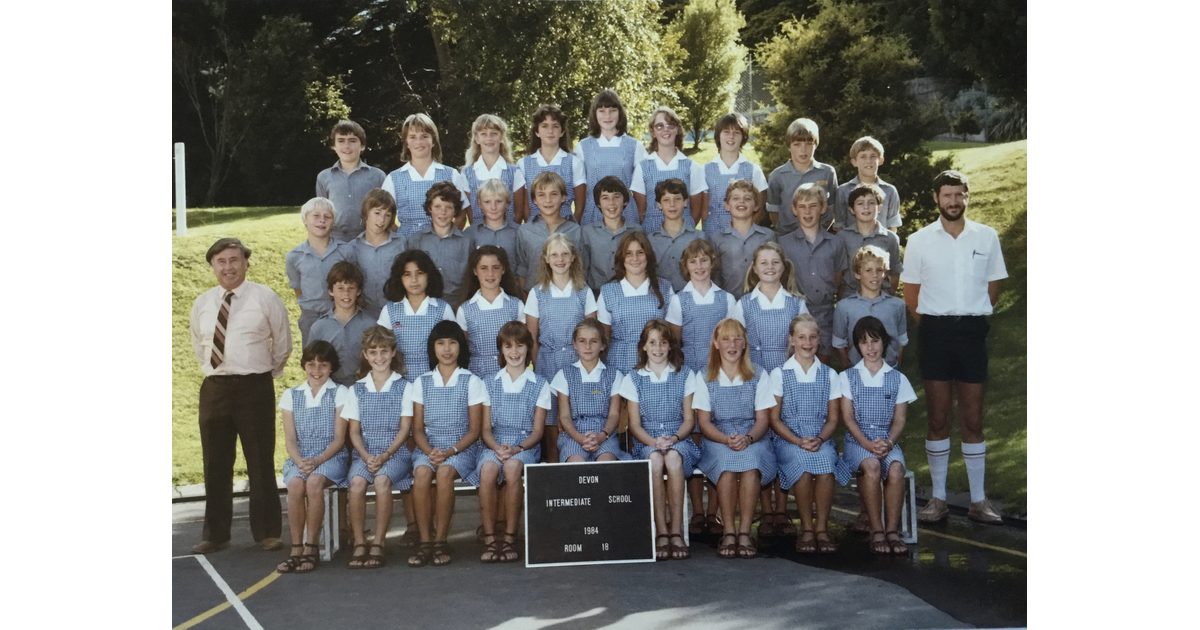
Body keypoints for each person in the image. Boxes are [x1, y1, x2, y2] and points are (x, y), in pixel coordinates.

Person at [901, 170, 1008, 524]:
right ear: (936, 198)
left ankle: (978, 501)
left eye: (958, 195)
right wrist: (937, 325)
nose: (952, 201)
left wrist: (967, 318)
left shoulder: (987, 237)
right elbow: (912, 295)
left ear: (967, 196)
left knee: (973, 419)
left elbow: (992, 288)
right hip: (934, 333)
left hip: (972, 333)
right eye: (946, 195)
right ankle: (939, 499)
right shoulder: (919, 240)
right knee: (938, 417)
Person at [189, 238, 291, 555]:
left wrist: (263, 373)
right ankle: (216, 534)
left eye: (235, 260)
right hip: (216, 388)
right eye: (221, 261)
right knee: (215, 462)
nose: (228, 267)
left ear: (246, 262)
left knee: (260, 460)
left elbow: (283, 343)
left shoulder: (265, 297)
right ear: (213, 266)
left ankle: (267, 532)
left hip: (254, 387)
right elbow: (198, 344)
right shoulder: (202, 303)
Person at [664, 239, 743, 535]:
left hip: (719, 374)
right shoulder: (678, 300)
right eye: (693, 261)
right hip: (690, 373)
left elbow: (735, 339)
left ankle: (714, 513)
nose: (699, 266)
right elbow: (675, 342)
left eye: (704, 260)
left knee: (715, 435)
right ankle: (697, 512)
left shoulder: (727, 299)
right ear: (685, 267)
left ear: (713, 264)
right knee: (695, 436)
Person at [738, 241, 808, 536]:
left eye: (775, 262)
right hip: (754, 374)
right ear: (754, 269)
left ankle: (781, 510)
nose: (769, 267)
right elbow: (736, 344)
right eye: (763, 262)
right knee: (761, 437)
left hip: (784, 374)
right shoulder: (743, 303)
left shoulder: (796, 302)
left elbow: (804, 340)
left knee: (784, 437)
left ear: (783, 267)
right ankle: (765, 512)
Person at [693, 319, 777, 559]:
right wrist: (726, 439)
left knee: (751, 466)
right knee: (727, 468)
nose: (732, 344)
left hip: (752, 436)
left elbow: (763, 420)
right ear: (716, 344)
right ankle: (728, 531)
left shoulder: (758, 374)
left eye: (737, 338)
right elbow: (705, 422)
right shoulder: (705, 376)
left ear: (745, 344)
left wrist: (748, 439)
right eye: (726, 339)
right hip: (718, 437)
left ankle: (744, 532)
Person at [465, 322, 549, 563]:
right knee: (488, 469)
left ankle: (511, 536)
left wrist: (518, 449)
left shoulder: (539, 383)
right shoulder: (489, 382)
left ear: (528, 348)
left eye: (520, 346)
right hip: (495, 444)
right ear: (500, 350)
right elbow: (485, 429)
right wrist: (497, 448)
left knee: (513, 468)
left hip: (524, 446)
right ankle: (491, 537)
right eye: (508, 346)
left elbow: (538, 431)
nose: (514, 352)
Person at [406, 321, 488, 567]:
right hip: (429, 447)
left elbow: (474, 430)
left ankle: (441, 540)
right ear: (433, 348)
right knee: (421, 473)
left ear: (460, 347)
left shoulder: (471, 381)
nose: (447, 349)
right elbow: (417, 429)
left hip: (461, 446)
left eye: (452, 342)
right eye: (441, 343)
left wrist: (450, 452)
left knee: (444, 474)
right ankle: (425, 541)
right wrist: (430, 451)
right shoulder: (421, 382)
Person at [620, 320, 700, 560]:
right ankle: (661, 532)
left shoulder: (684, 374)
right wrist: (655, 442)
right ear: (644, 346)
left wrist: (674, 439)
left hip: (679, 439)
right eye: (652, 343)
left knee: (674, 459)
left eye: (663, 343)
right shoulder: (633, 378)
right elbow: (634, 425)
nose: (658, 348)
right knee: (655, 461)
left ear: (670, 346)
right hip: (648, 442)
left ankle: (677, 531)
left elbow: (689, 420)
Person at [769, 315, 849, 554]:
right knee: (802, 464)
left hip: (819, 436)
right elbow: (774, 419)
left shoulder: (829, 374)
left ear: (819, 340)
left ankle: (822, 528)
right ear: (791, 340)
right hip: (788, 438)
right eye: (801, 337)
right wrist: (797, 440)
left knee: (825, 463)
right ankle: (806, 528)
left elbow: (834, 418)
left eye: (813, 337)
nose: (807, 342)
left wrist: (820, 439)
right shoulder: (780, 373)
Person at [839, 317, 917, 555]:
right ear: (857, 347)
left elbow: (899, 420)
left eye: (875, 341)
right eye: (864, 343)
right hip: (858, 442)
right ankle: (877, 529)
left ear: (884, 342)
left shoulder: (897, 378)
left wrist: (889, 443)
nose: (870, 348)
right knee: (871, 466)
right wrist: (866, 443)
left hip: (886, 440)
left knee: (895, 469)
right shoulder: (848, 377)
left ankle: (892, 531)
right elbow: (848, 418)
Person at [276, 341, 350, 574]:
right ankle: (296, 547)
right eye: (311, 364)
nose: (316, 370)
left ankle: (312, 547)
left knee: (315, 482)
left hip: (331, 456)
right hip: (301, 457)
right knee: (296, 484)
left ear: (331, 368)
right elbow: (290, 439)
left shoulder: (340, 392)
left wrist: (317, 461)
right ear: (304, 366)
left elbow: (339, 439)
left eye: (323, 365)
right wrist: (300, 461)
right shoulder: (291, 395)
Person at [343, 326, 412, 569]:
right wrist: (366, 456)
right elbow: (353, 431)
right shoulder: (357, 389)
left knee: (382, 481)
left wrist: (385, 455)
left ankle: (379, 542)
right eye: (373, 352)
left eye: (384, 351)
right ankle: (360, 541)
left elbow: (405, 429)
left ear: (393, 353)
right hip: (366, 453)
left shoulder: (405, 386)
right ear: (365, 355)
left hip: (395, 453)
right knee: (357, 483)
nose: (379, 357)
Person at [524, 233, 597, 463]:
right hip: (547, 363)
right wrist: (540, 365)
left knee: (575, 420)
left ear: (574, 257)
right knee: (551, 425)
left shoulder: (584, 292)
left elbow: (592, 333)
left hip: (578, 364)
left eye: (565, 253)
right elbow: (532, 338)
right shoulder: (537, 293)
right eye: (554, 254)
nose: (560, 259)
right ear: (546, 258)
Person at [778, 183, 843, 363]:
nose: (807, 212)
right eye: (802, 207)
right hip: (794, 313)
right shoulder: (784, 244)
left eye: (813, 206)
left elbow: (838, 277)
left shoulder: (835, 243)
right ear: (794, 210)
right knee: (794, 365)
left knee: (822, 364)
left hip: (825, 314)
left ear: (823, 208)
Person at [551, 318, 630, 462]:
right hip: (573, 436)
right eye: (582, 341)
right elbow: (564, 416)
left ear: (602, 345)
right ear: (575, 344)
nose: (588, 346)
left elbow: (613, 415)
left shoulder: (614, 375)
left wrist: (601, 436)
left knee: (605, 462)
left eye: (593, 341)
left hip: (605, 435)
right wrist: (579, 438)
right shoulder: (564, 375)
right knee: (577, 463)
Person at [596, 231, 675, 373]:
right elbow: (604, 337)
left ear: (648, 255)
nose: (635, 258)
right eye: (628, 253)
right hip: (619, 363)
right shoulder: (608, 291)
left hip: (655, 361)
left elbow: (672, 335)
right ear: (621, 257)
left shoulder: (664, 288)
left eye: (640, 252)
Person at [381, 113, 469, 240]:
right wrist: (401, 238)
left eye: (424, 136)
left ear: (433, 141)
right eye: (412, 137)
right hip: (408, 247)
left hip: (441, 243)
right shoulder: (393, 178)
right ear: (406, 142)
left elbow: (461, 216)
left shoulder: (451, 174)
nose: (419, 142)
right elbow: (385, 217)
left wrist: (445, 240)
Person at [377, 250, 455, 385]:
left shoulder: (442, 309)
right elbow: (382, 348)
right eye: (407, 274)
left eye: (420, 273)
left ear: (429, 276)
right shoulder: (390, 310)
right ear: (399, 278)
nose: (414, 280)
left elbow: (453, 347)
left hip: (435, 378)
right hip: (398, 378)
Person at [286, 197, 356, 345]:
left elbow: (353, 282)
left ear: (333, 222)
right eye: (316, 216)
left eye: (327, 216)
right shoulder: (294, 256)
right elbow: (298, 288)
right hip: (310, 316)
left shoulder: (346, 251)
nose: (322, 220)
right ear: (305, 220)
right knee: (314, 361)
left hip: (340, 314)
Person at [574, 89, 647, 226]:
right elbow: (579, 188)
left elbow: (642, 187)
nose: (607, 115)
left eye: (613, 110)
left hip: (625, 212)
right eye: (601, 111)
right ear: (595, 114)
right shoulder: (583, 147)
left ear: (620, 113)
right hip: (593, 213)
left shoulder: (634, 146)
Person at [630, 106, 707, 234]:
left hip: (683, 233)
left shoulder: (691, 167)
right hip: (652, 234)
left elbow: (696, 209)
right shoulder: (643, 167)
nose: (666, 129)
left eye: (670, 125)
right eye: (659, 126)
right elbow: (641, 210)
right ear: (653, 131)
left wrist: (683, 231)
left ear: (677, 129)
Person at [455, 245, 526, 378]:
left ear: (503, 269)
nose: (490, 274)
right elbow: (462, 349)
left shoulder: (516, 305)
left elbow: (523, 343)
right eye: (484, 268)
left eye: (496, 267)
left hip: (510, 373)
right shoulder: (465, 309)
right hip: (477, 375)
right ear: (475, 271)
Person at [833, 245, 907, 369]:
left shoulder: (897, 305)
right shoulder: (844, 307)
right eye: (868, 270)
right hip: (857, 371)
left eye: (879, 270)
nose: (875, 275)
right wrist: (849, 369)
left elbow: (901, 341)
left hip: (889, 370)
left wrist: (895, 368)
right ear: (857, 274)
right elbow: (839, 343)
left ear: (885, 273)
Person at [316, 120, 387, 243]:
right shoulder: (324, 177)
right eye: (341, 141)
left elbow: (386, 212)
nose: (346, 146)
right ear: (334, 146)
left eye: (352, 141)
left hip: (369, 240)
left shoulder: (377, 176)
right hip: (335, 241)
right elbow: (322, 213)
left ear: (362, 146)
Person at [406, 182, 473, 311]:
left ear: (455, 211)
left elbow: (470, 279)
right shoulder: (416, 241)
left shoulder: (466, 242)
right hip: (425, 304)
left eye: (448, 207)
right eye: (437, 206)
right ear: (430, 208)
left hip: (457, 305)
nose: (443, 212)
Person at [766, 118, 838, 235]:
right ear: (789, 146)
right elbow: (774, 212)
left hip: (821, 237)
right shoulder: (777, 176)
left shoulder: (827, 172)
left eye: (809, 144)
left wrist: (822, 231)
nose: (803, 150)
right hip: (788, 237)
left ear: (816, 145)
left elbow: (833, 208)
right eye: (797, 144)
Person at [309, 261, 375, 386]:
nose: (346, 293)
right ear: (331, 291)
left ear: (359, 291)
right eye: (340, 288)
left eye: (351, 288)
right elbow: (311, 365)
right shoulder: (319, 328)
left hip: (363, 388)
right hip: (330, 389)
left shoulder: (371, 325)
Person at [700, 113, 768, 234]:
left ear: (743, 137)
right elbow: (704, 210)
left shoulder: (753, 170)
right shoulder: (705, 170)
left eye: (736, 132)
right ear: (718, 136)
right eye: (726, 131)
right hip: (713, 234)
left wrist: (745, 233)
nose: (731, 136)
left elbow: (760, 209)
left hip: (743, 236)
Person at [517, 104, 587, 222]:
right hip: (536, 230)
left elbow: (580, 205)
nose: (550, 131)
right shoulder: (524, 164)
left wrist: (572, 227)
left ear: (562, 132)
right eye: (544, 126)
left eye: (555, 126)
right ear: (537, 132)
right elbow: (525, 207)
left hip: (565, 229)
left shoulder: (574, 162)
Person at [514, 171, 583, 289]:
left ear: (563, 197)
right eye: (541, 195)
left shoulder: (576, 230)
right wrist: (525, 298)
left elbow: (582, 268)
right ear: (534, 199)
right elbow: (522, 269)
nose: (548, 200)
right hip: (533, 297)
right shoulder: (525, 231)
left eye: (554, 194)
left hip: (568, 296)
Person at [710, 179, 775, 299]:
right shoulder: (717, 239)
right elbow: (715, 276)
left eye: (747, 198)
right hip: (729, 302)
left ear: (756, 206)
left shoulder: (767, 236)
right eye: (735, 198)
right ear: (727, 205)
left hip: (761, 300)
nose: (741, 201)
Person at [835, 183, 902, 298]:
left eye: (871, 203)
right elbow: (838, 272)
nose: (866, 207)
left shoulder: (890, 238)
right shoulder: (841, 238)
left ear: (879, 207)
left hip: (881, 298)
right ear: (852, 209)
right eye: (860, 203)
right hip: (850, 298)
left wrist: (888, 294)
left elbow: (895, 272)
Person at [349, 189, 406, 320]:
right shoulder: (353, 247)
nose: (382, 220)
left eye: (388, 215)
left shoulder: (401, 244)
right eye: (377, 213)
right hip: (364, 312)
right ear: (365, 213)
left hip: (396, 311)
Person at [579, 175, 642, 293]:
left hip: (629, 293)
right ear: (598, 203)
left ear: (625, 200)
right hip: (597, 293)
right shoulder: (587, 232)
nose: (611, 203)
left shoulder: (637, 231)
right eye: (605, 198)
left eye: (616, 197)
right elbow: (583, 269)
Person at [461, 113, 526, 226]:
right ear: (477, 139)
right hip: (479, 237)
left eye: (494, 134)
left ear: (501, 138)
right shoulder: (467, 174)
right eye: (483, 134)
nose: (489, 138)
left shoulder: (515, 172)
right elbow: (471, 215)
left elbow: (518, 213)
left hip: (507, 237)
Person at [648, 178, 708, 293]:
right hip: (661, 299)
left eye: (677, 199)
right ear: (659, 205)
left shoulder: (699, 238)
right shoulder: (651, 241)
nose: (672, 204)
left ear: (685, 202)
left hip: (691, 298)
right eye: (666, 200)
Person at [832, 136, 901, 233]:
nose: (868, 161)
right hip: (851, 246)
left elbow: (892, 224)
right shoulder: (843, 191)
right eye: (863, 157)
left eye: (873, 156)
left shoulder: (890, 191)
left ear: (880, 160)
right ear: (854, 162)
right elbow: (839, 225)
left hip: (881, 246)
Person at [464, 178, 521, 262]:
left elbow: (523, 264)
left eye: (498, 201)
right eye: (487, 202)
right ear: (480, 204)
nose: (493, 207)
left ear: (507, 204)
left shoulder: (519, 232)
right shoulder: (471, 233)